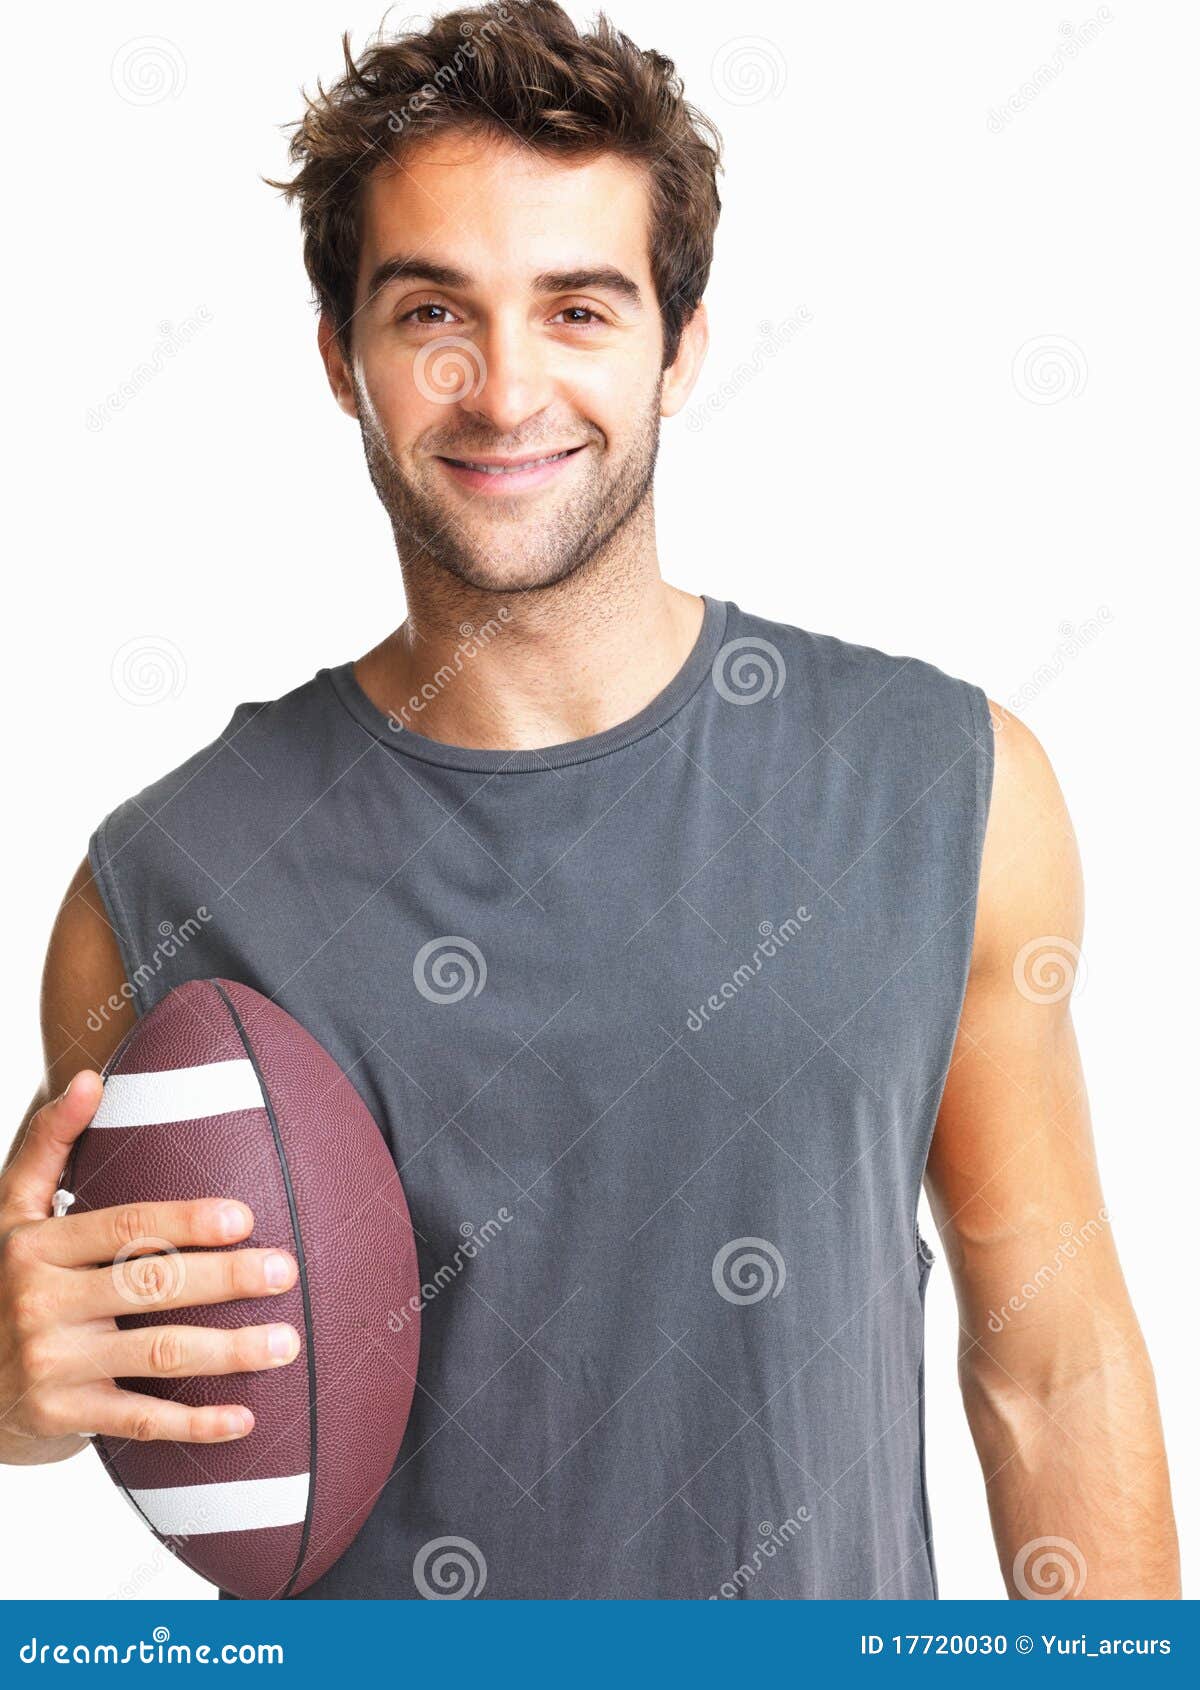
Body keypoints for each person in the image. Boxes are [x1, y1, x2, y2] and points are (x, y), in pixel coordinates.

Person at [0, 1, 1179, 1600]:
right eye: (434, 311)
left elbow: (1053, 1366)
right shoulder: (160, 884)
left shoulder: (939, 788)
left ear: (679, 347)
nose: (504, 391)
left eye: (578, 308)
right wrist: (12, 1399)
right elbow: (127, 1374)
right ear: (340, 356)